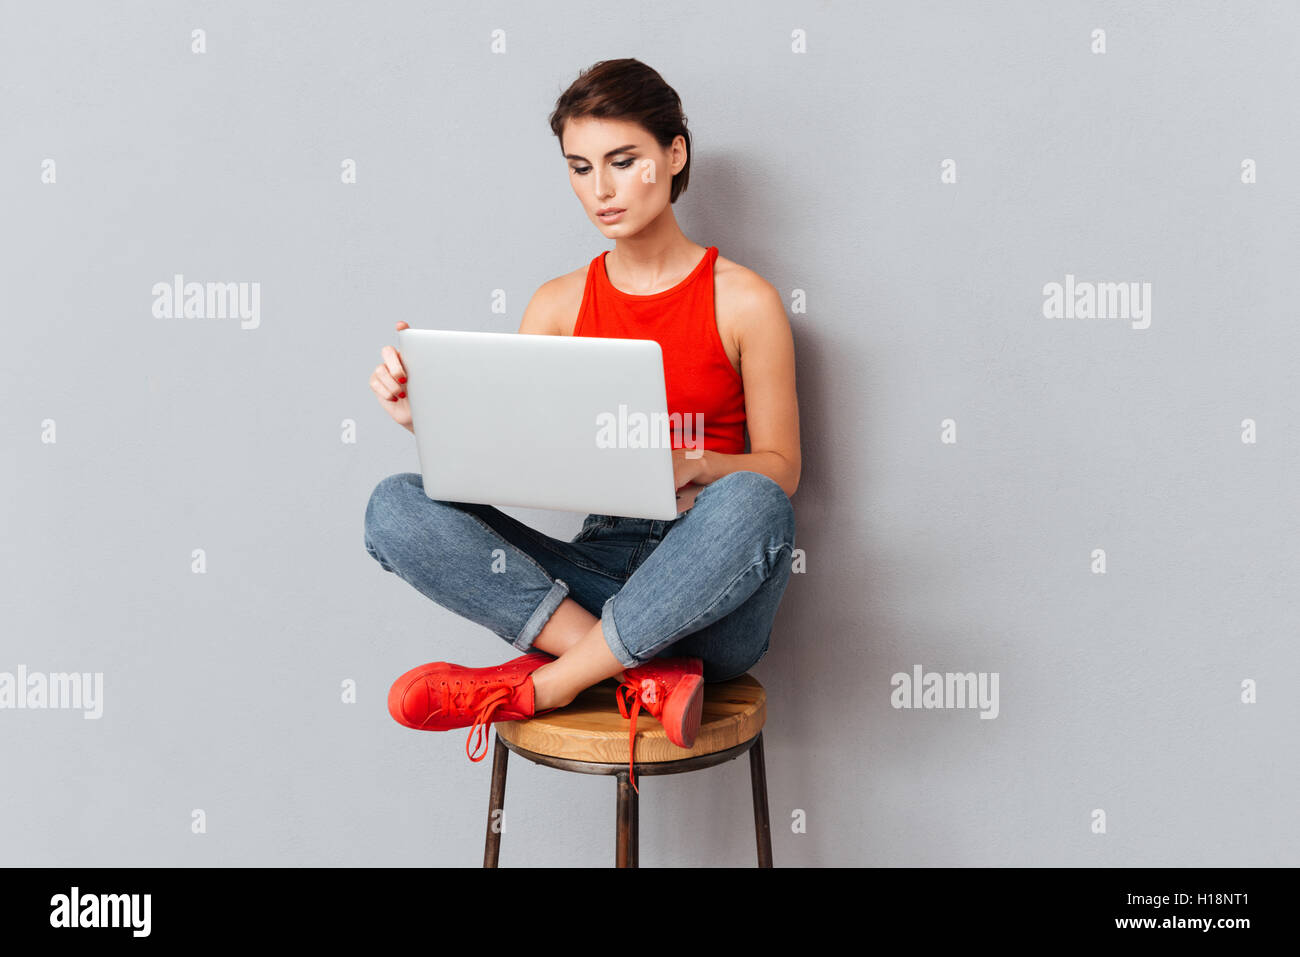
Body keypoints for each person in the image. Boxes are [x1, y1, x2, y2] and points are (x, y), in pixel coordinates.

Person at [364, 58, 800, 792]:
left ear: (674, 154)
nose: (600, 189)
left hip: (711, 597)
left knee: (758, 502)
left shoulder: (744, 300)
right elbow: (513, 458)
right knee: (392, 505)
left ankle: (552, 680)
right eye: (579, 167)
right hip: (595, 574)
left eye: (623, 162)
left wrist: (697, 464)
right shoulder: (559, 305)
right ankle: (639, 669)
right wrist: (427, 421)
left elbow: (783, 466)